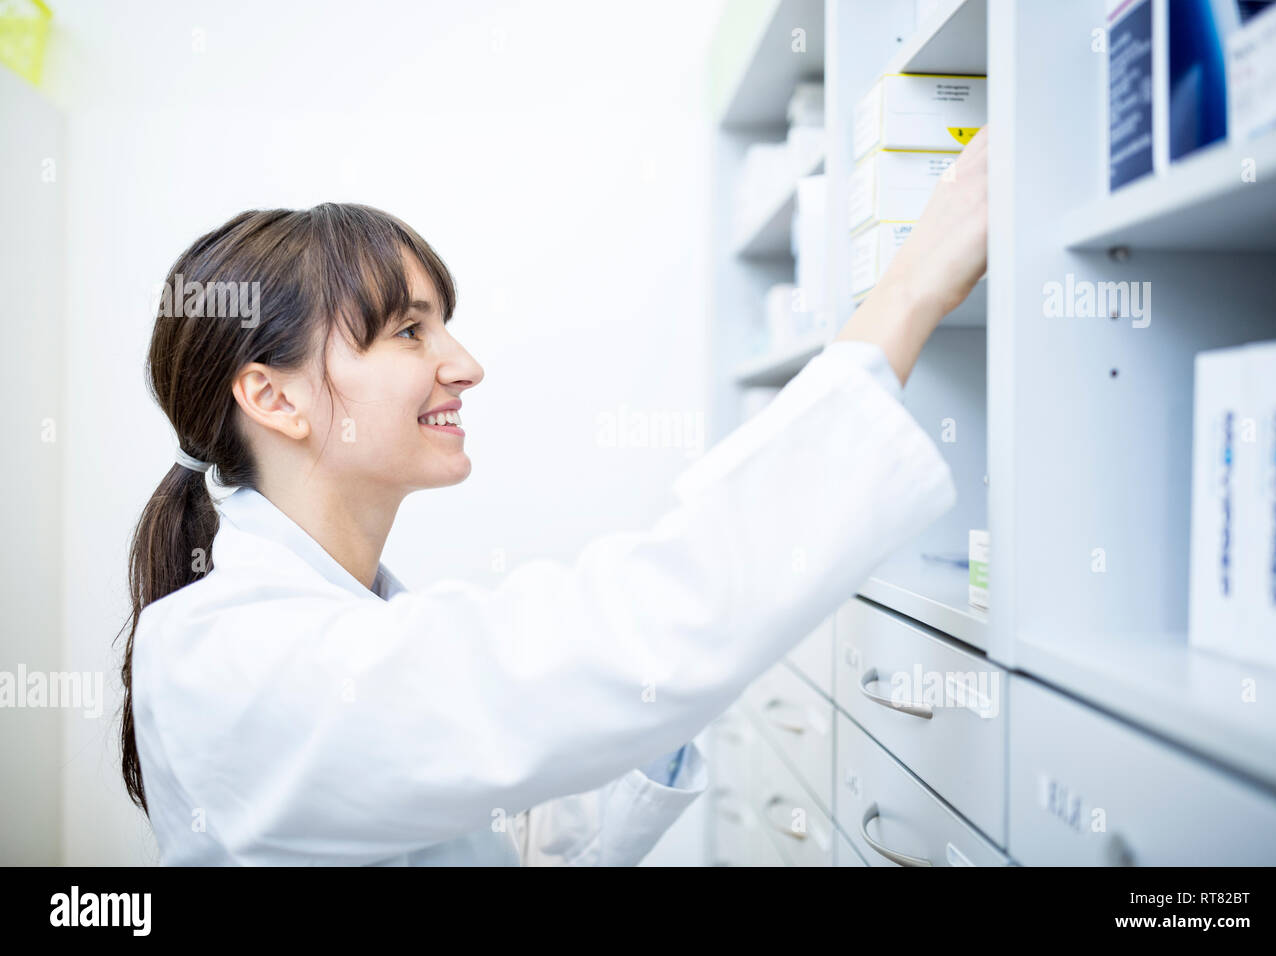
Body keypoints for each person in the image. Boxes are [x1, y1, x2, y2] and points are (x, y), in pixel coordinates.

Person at [120, 128, 989, 865]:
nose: (465, 365)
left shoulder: (354, 621)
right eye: (410, 331)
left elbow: (505, 797)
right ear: (274, 398)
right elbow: (602, 641)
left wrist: (680, 681)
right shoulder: (231, 657)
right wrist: (909, 293)